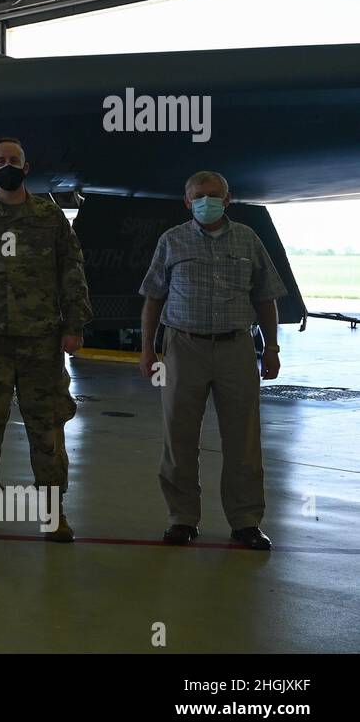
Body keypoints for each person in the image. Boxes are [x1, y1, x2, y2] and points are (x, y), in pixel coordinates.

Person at [0, 139, 90, 543]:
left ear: (27, 168)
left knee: (47, 432)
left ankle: (53, 514)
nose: (7, 166)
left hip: (41, 342)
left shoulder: (49, 215)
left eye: (14, 161)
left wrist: (74, 324)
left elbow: (71, 270)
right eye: (0, 161)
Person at [138, 170, 287, 551]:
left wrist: (271, 347)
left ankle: (246, 522)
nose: (207, 201)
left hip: (236, 346)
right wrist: (147, 350)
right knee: (179, 437)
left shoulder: (248, 239)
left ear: (228, 198)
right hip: (183, 347)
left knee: (243, 438)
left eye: (214, 194)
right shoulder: (171, 241)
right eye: (199, 196)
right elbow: (153, 298)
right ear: (187, 202)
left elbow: (266, 297)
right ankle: (182, 518)